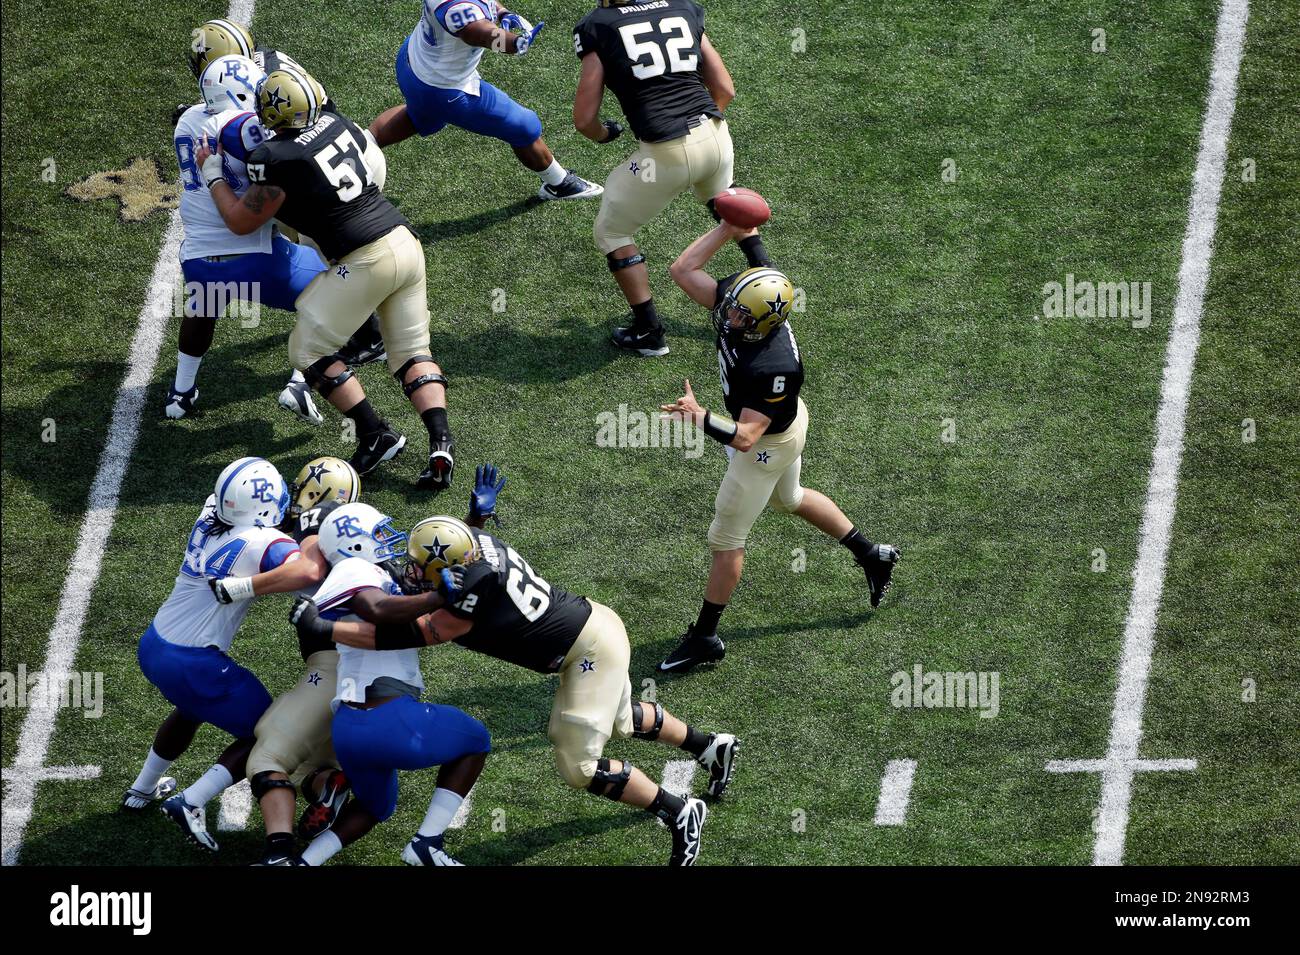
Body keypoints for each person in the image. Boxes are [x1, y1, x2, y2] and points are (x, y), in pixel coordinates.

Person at [293, 470, 739, 866]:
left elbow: (413, 632)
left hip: (587, 651)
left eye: (421, 569)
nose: (411, 572)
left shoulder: (465, 597)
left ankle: (679, 811)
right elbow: (461, 555)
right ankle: (709, 746)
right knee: (619, 719)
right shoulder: (470, 549)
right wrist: (475, 521)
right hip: (592, 628)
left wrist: (329, 630)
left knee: (578, 765)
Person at [657, 221, 900, 672]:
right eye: (732, 308)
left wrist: (700, 417)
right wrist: (732, 229)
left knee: (726, 540)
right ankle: (872, 554)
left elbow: (746, 438)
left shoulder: (773, 366)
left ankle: (706, 637)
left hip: (765, 444)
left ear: (761, 323)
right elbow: (684, 269)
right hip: (784, 426)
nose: (729, 317)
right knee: (790, 499)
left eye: (739, 317)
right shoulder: (756, 295)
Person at [198, 66, 456, 487]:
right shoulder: (336, 123)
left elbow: (241, 221)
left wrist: (212, 174)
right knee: (411, 351)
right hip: (403, 241)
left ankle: (376, 433)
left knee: (307, 350)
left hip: (364, 258)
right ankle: (441, 442)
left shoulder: (274, 159)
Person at [123, 457, 328, 854]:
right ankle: (192, 800)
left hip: (154, 643)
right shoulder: (262, 541)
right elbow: (308, 572)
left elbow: (256, 534)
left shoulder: (209, 511)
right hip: (195, 662)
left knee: (190, 708)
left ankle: (143, 787)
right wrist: (313, 531)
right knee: (269, 735)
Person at [289, 502, 491, 866]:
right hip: (389, 718)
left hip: (351, 730)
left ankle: (305, 862)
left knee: (376, 807)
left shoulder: (375, 575)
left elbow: (427, 570)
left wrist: (472, 524)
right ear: (354, 544)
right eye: (377, 534)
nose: (386, 541)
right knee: (476, 740)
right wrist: (437, 597)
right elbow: (378, 610)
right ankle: (427, 844)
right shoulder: (354, 569)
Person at [570, 0, 738, 357]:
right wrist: (702, 131)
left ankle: (649, 331)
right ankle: (770, 283)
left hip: (664, 152)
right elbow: (725, 89)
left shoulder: (598, 25)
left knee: (611, 232)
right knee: (731, 208)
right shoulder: (683, 6)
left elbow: (585, 120)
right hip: (717, 136)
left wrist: (605, 134)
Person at [369, 2, 602, 201]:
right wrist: (515, 43)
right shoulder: (458, 8)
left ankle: (359, 145)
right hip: (445, 89)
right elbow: (477, 32)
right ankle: (559, 184)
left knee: (420, 116)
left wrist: (503, 13)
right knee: (523, 125)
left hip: (415, 61)